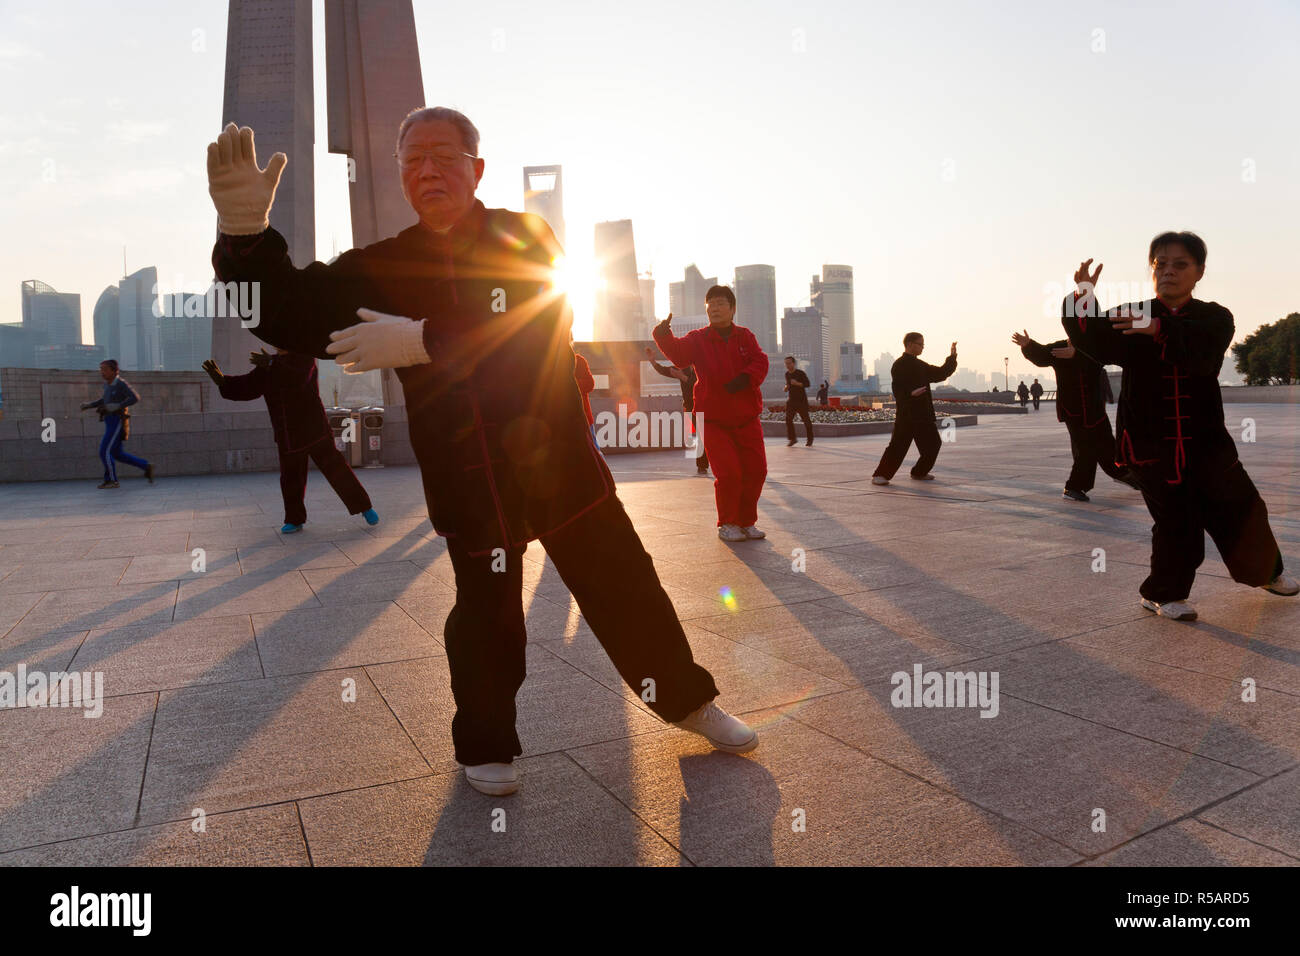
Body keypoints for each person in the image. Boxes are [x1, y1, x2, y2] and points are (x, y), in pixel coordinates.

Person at [206, 109, 755, 795]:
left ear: (477, 168)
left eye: (442, 156)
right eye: (411, 162)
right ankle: (486, 744)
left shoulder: (521, 236)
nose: (427, 172)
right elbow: (287, 313)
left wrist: (425, 338)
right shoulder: (382, 266)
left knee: (623, 583)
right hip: (467, 478)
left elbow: (536, 315)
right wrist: (246, 237)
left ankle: (688, 702)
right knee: (484, 611)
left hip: (556, 462)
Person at [1061, 231, 1297, 621]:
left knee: (1242, 507)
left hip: (1207, 441)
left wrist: (1158, 330)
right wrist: (1084, 296)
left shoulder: (1214, 317)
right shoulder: (1132, 311)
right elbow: (1093, 342)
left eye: (1180, 264)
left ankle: (1265, 573)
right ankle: (1161, 594)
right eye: (1160, 264)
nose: (1168, 271)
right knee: (1177, 522)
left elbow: (1203, 359)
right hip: (1150, 443)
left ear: (1199, 271)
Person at [203, 348, 378, 533]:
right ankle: (295, 519)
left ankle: (364, 507)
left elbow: (297, 379)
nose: (279, 347)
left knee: (337, 470)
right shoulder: (267, 365)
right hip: (287, 435)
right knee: (291, 480)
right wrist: (223, 382)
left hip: (314, 430)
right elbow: (249, 386)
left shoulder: (304, 357)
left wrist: (272, 364)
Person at [653, 288, 769, 542]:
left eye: (720, 303)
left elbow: (761, 360)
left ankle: (746, 522)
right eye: (710, 305)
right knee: (729, 474)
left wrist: (746, 378)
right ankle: (728, 523)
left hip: (747, 417)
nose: (714, 309)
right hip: (713, 419)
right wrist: (663, 336)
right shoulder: (698, 339)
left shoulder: (745, 337)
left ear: (732, 308)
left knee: (756, 471)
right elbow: (680, 355)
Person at [1011, 330, 1139, 502]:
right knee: (1085, 450)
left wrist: (1077, 355)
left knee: (1108, 443)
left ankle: (1124, 474)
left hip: (1095, 409)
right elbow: (1041, 355)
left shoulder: (1094, 348)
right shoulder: (1060, 347)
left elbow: (1101, 360)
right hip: (1073, 411)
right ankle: (1074, 487)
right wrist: (1028, 345)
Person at [871, 333, 957, 485]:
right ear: (910, 344)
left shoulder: (920, 365)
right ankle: (881, 475)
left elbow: (941, 373)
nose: (923, 347)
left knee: (933, 444)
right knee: (897, 446)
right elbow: (897, 388)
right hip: (907, 415)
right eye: (920, 344)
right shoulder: (899, 365)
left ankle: (919, 472)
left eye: (923, 345)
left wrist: (952, 357)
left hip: (924, 414)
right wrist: (910, 394)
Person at [80, 359, 154, 489]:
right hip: (109, 421)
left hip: (117, 420)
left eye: (105, 369)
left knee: (104, 451)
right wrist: (90, 405)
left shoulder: (120, 384)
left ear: (114, 371)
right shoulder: (107, 385)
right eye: (101, 369)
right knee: (117, 454)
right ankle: (146, 466)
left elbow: (135, 398)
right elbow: (105, 400)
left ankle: (111, 480)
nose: (102, 372)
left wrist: (119, 405)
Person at [645, 347, 709, 476]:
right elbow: (664, 370)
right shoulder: (681, 368)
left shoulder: (702, 369)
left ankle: (707, 463)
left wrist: (682, 377)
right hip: (691, 408)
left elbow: (699, 384)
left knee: (706, 437)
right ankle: (702, 465)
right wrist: (652, 361)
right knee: (701, 437)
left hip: (705, 406)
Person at [782, 356, 813, 447]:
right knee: (788, 419)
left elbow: (807, 384)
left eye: (789, 363)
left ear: (793, 363)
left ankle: (810, 439)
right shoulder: (787, 374)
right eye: (786, 363)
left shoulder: (800, 373)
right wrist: (786, 388)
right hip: (791, 401)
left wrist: (797, 383)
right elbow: (787, 385)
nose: (787, 365)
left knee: (806, 420)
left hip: (801, 401)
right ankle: (793, 439)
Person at [573, 351, 597, 445]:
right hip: (564, 420)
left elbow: (590, 384)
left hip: (584, 417)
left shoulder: (579, 360)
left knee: (594, 449)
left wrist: (570, 384)